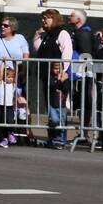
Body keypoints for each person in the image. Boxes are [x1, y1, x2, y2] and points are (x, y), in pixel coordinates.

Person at [32, 9, 75, 148]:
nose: (44, 20)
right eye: (43, 18)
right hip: (46, 76)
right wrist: (37, 35)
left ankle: (59, 139)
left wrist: (63, 71)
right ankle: (52, 138)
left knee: (58, 108)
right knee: (51, 109)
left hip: (57, 77)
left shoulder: (62, 33)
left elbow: (67, 52)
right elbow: (38, 49)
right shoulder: (47, 35)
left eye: (47, 18)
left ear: (55, 19)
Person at [0, 17, 29, 146]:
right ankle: (3, 135)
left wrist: (20, 69)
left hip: (15, 79)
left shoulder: (20, 38)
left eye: (6, 25)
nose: (2, 27)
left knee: (14, 108)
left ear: (12, 28)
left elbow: (26, 55)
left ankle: (12, 132)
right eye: (2, 25)